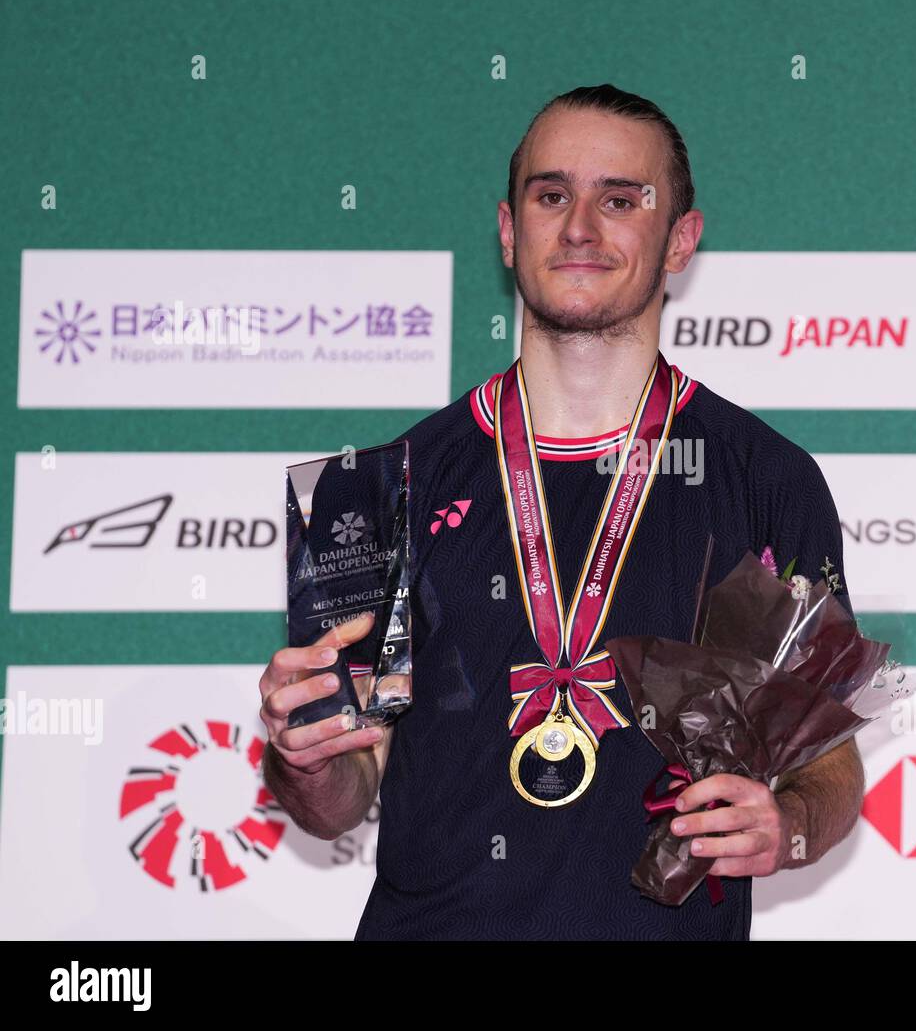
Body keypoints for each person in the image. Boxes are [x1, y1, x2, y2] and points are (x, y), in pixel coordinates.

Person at [260, 84, 865, 940]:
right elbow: (336, 805)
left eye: (620, 200)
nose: (579, 226)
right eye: (551, 197)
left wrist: (789, 822)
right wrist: (302, 758)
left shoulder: (768, 480)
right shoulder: (386, 487)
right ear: (510, 232)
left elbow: (827, 762)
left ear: (681, 240)